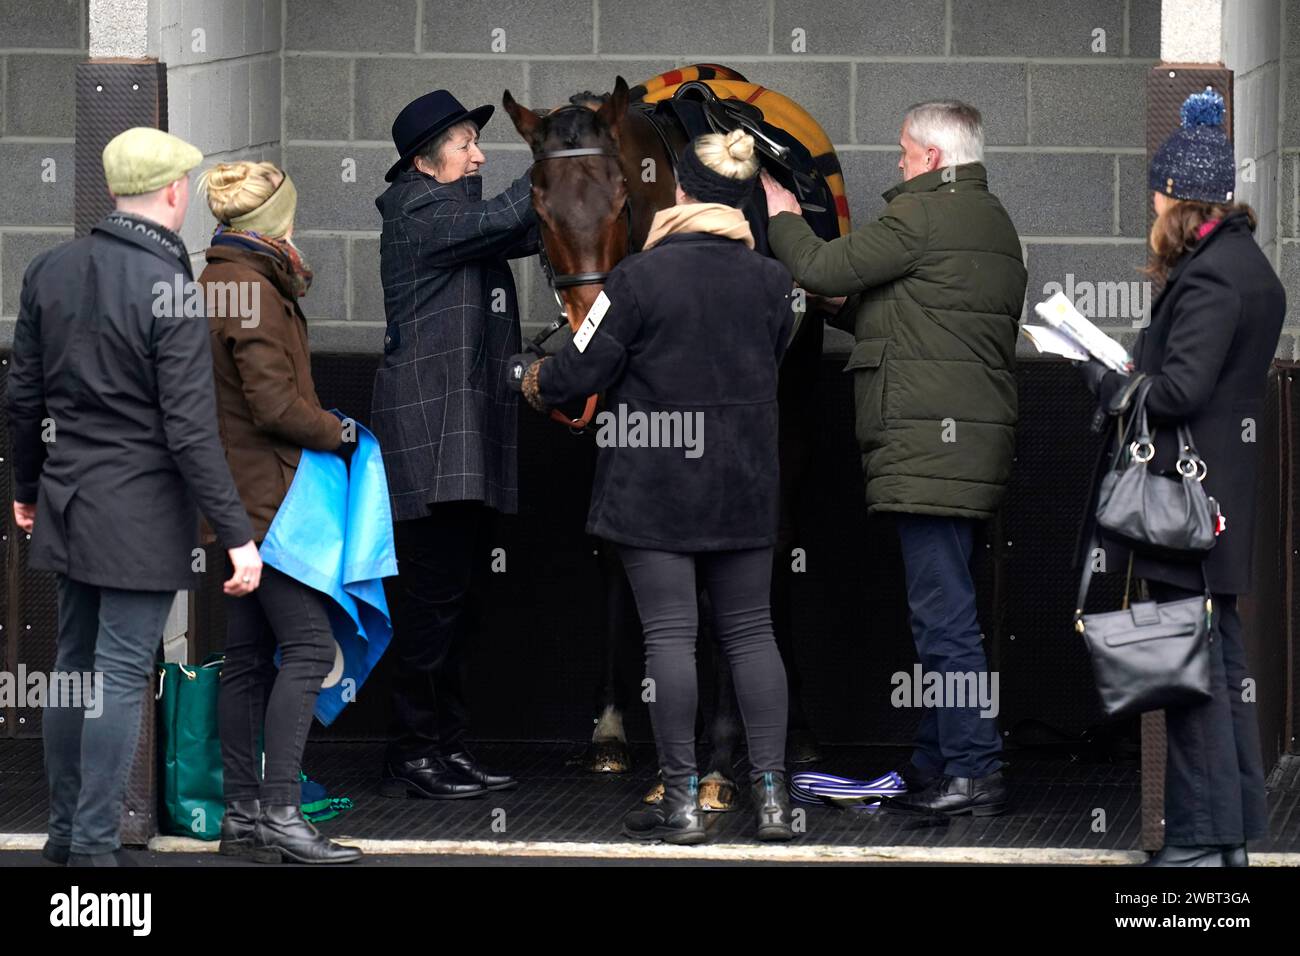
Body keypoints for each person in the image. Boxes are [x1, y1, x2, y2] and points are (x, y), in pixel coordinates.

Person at [510, 129, 798, 844]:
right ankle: (770, 801)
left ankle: (680, 803)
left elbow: (581, 371)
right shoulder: (772, 283)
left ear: (683, 195)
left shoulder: (636, 279)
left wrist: (530, 378)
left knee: (671, 637)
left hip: (655, 487)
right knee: (752, 635)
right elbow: (774, 357)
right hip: (744, 483)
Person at [762, 101, 1026, 816]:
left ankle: (972, 769)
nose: (898, 166)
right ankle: (937, 760)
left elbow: (820, 262)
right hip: (968, 446)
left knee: (944, 620)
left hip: (928, 449)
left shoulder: (921, 216)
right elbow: (918, 313)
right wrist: (841, 308)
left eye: (905, 154)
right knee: (953, 610)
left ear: (935, 159)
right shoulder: (991, 222)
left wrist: (783, 211)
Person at [7, 127, 262, 866]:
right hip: (140, 511)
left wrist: (27, 488)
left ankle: (63, 836)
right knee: (120, 670)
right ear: (176, 194)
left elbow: (23, 397)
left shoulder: (48, 269)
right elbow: (190, 430)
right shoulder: (171, 288)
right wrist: (237, 533)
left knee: (72, 664)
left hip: (68, 498)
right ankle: (92, 849)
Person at [1077, 88, 1283, 867]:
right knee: (1220, 674)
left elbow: (1178, 393)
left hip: (1182, 511)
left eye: (1158, 190)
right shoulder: (1247, 268)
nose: (1152, 202)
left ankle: (1198, 843)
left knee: (1189, 681)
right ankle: (1226, 840)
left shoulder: (1208, 278)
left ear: (1180, 200)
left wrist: (1107, 379)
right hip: (1217, 506)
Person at [372, 90, 538, 799]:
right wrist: (561, 149)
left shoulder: (456, 217)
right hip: (432, 443)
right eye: (465, 143)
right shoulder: (417, 212)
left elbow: (527, 228)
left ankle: (448, 746)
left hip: (464, 439)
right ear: (423, 161)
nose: (478, 154)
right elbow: (509, 214)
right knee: (431, 605)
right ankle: (413, 753)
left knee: (459, 606)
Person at [197, 160, 362, 864]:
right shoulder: (250, 290)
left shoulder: (224, 276)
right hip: (271, 502)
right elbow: (272, 406)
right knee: (308, 650)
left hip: (239, 499)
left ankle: (242, 814)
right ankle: (282, 815)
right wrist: (338, 431)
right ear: (276, 220)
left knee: (246, 660)